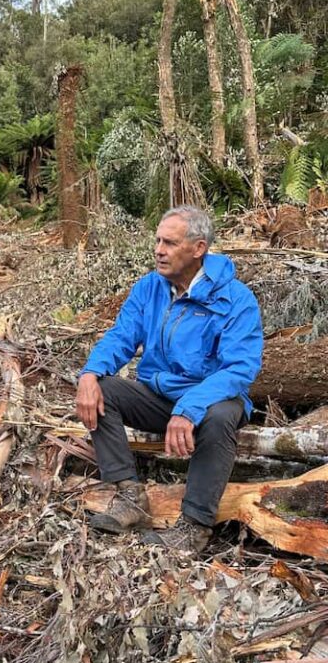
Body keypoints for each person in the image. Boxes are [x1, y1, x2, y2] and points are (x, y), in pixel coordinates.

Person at [76, 206, 263, 554]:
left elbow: (239, 369)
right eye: (158, 241)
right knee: (100, 389)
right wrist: (90, 372)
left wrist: (189, 408)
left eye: (170, 243)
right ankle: (130, 495)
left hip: (210, 402)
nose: (159, 250)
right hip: (159, 396)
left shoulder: (236, 300)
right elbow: (120, 337)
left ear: (198, 248)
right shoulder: (150, 287)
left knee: (222, 415)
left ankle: (194, 526)